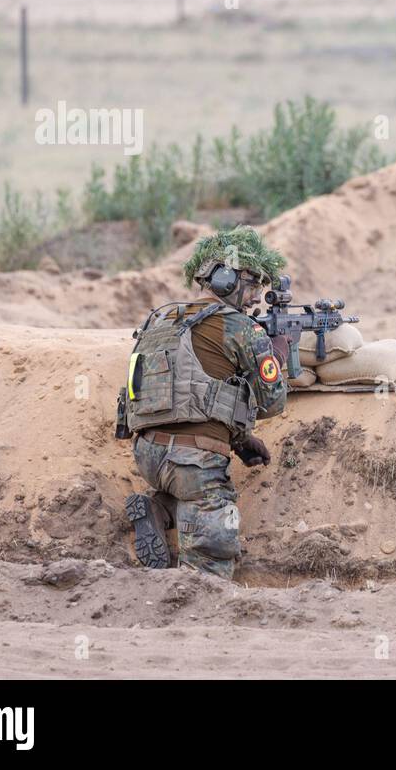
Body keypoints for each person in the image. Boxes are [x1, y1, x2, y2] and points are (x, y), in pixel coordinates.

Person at [117, 226, 289, 579]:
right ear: (227, 280)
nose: (256, 297)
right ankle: (192, 618)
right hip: (194, 462)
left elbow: (188, 391)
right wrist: (278, 358)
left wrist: (239, 441)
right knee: (210, 565)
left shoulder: (161, 318)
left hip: (148, 453)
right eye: (252, 284)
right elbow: (273, 404)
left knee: (186, 490)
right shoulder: (241, 328)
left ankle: (159, 509)